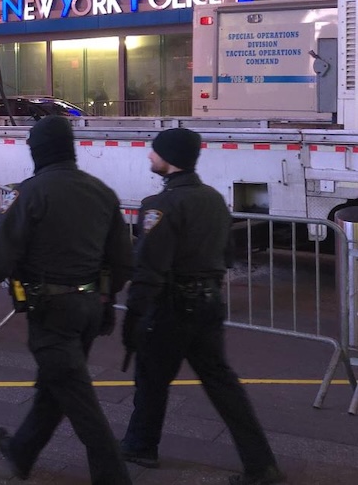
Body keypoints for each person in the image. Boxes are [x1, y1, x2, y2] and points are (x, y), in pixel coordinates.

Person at [0, 116, 133, 485]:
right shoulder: (102, 192)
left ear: (38, 151)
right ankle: (22, 451)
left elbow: (2, 250)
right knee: (57, 383)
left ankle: (114, 477)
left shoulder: (31, 193)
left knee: (79, 400)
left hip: (52, 311)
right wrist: (107, 302)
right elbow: (121, 259)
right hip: (89, 306)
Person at [120, 128, 285, 485]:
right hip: (208, 304)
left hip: (170, 308)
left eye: (155, 152)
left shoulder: (159, 206)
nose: (150, 156)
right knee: (222, 385)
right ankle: (261, 464)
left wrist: (133, 315)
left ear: (171, 159)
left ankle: (140, 446)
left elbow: (149, 267)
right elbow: (226, 255)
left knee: (151, 377)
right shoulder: (213, 199)